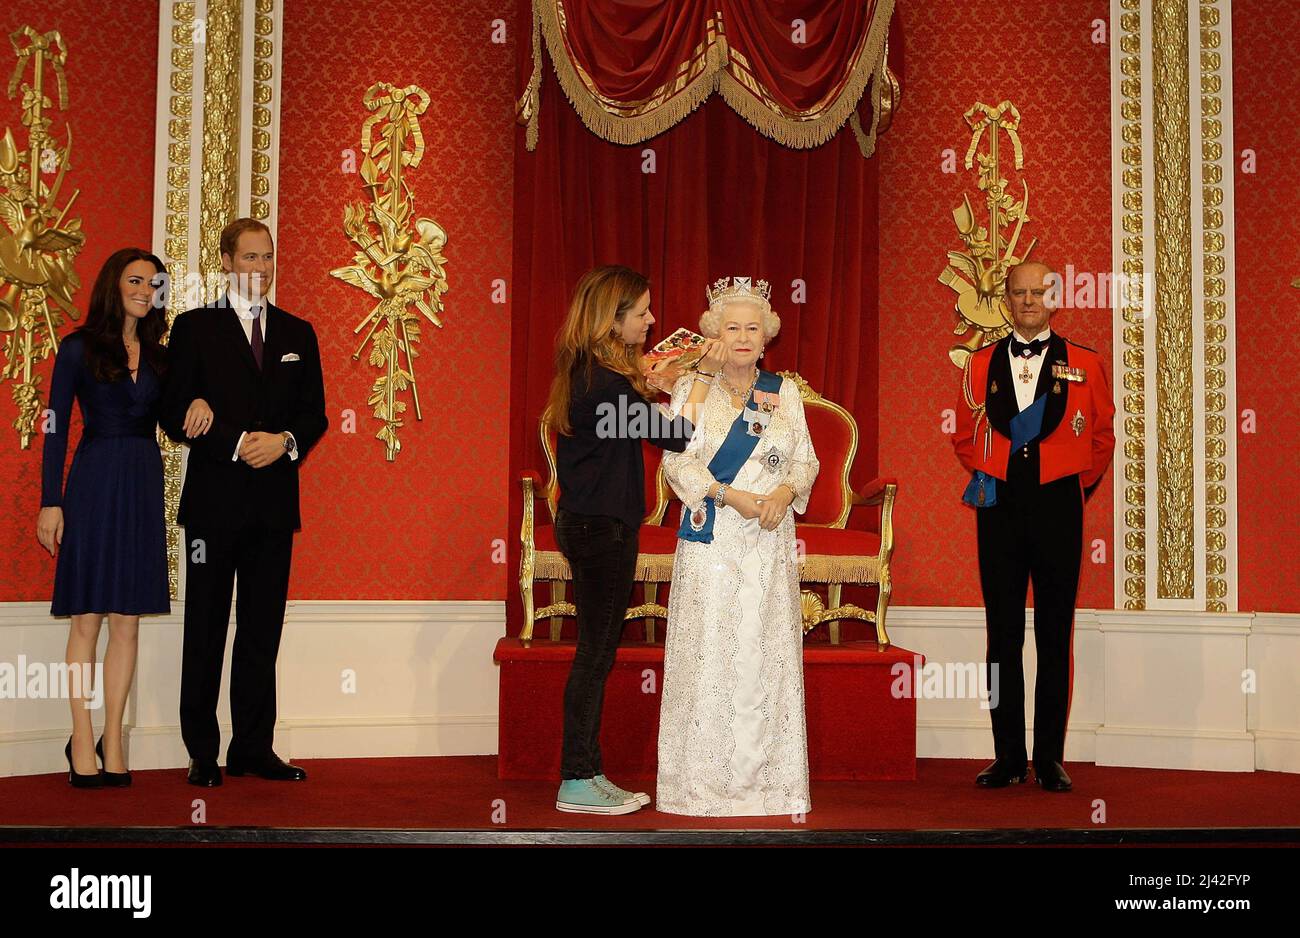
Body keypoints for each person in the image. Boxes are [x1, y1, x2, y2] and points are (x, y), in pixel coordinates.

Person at [544, 264, 723, 815]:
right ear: (612, 318)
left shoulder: (591, 374)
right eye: (641, 312)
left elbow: (642, 410)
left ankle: (585, 772)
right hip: (601, 528)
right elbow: (676, 432)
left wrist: (663, 381)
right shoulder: (602, 385)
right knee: (595, 655)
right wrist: (701, 379)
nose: (650, 321)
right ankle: (577, 777)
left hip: (591, 523)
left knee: (595, 653)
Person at [159, 217, 328, 787]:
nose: (261, 268)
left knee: (262, 629)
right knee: (205, 627)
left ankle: (253, 747)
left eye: (268, 257)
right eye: (250, 257)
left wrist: (284, 443)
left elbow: (315, 414)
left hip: (274, 506)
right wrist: (230, 438)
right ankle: (202, 751)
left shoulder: (298, 333)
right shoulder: (193, 328)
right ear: (227, 261)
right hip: (212, 507)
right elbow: (172, 409)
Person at [38, 248, 213, 788]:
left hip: (141, 482)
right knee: (87, 619)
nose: (144, 288)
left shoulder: (162, 358)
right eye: (134, 279)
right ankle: (80, 737)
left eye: (153, 282)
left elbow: (177, 422)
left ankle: (114, 738)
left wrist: (202, 400)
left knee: (128, 622)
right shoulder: (77, 348)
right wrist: (50, 500)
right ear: (113, 285)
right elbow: (54, 426)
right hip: (92, 481)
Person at [656, 276, 819, 816]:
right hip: (713, 532)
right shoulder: (690, 390)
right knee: (711, 651)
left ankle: (768, 785)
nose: (743, 336)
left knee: (759, 649)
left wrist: (784, 489)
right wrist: (728, 495)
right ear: (713, 334)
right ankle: (700, 786)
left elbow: (805, 459)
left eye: (753, 327)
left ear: (767, 335)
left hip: (768, 539)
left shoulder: (783, 392)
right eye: (732, 327)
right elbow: (676, 459)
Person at [952, 260, 1115, 792]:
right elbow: (962, 436)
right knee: (1002, 635)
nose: (1028, 301)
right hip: (998, 508)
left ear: (1055, 297)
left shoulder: (1085, 363)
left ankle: (1048, 757)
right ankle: (1007, 757)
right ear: (1006, 300)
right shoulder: (978, 365)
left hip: (1058, 509)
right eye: (1018, 293)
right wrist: (998, 472)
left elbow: (1102, 437)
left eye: (1038, 292)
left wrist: (1070, 484)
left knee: (1052, 633)